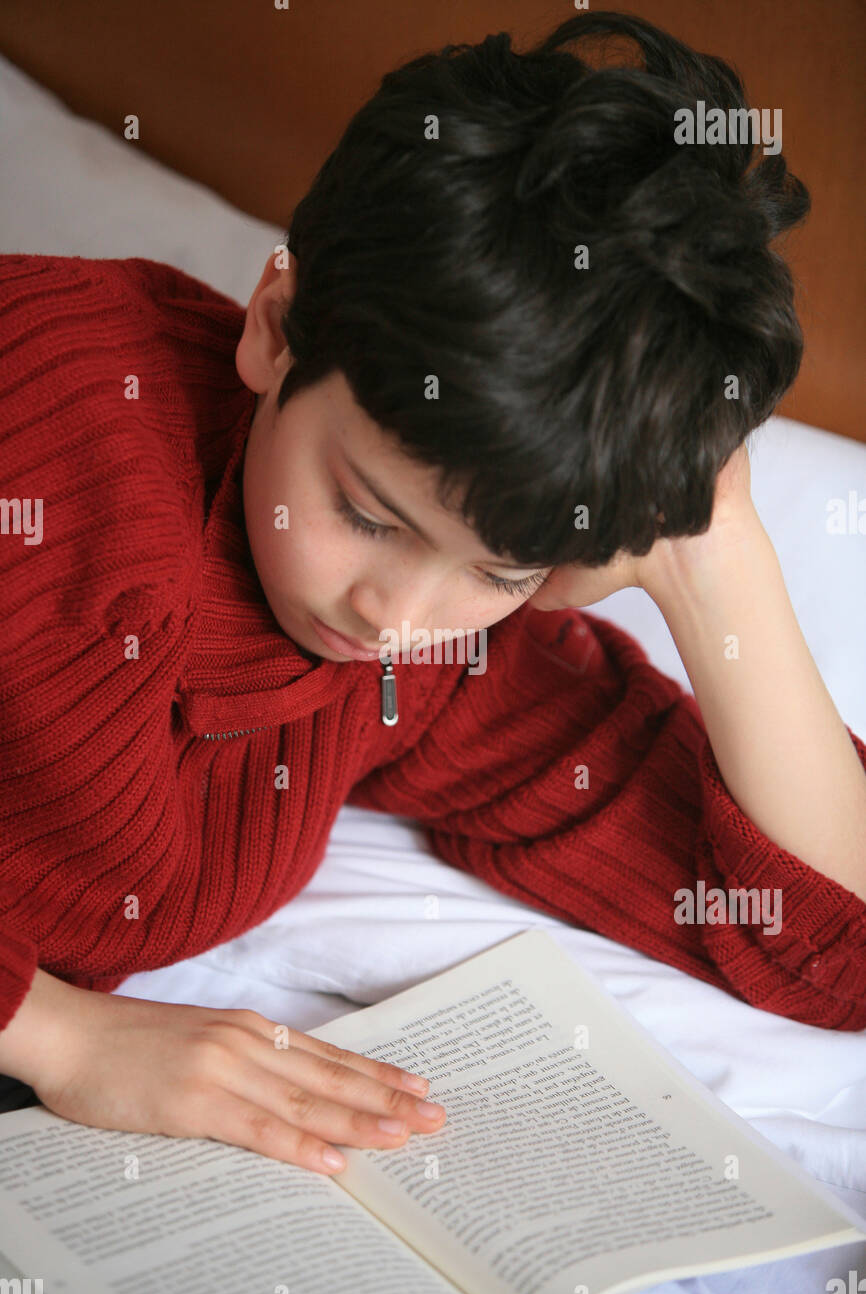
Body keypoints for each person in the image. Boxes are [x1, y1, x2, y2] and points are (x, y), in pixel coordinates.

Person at [1, 11, 864, 1175]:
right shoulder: (51, 434)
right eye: (367, 513)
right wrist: (57, 1032)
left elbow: (825, 950)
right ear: (273, 326)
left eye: (500, 570)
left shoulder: (441, 656)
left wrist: (714, 555)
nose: (394, 618)